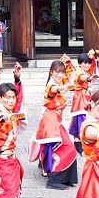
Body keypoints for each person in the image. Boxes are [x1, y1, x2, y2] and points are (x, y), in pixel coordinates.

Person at [30, 60, 78, 189]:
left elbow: (70, 78)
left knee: (54, 146)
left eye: (62, 72)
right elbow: (53, 90)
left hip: (55, 121)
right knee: (67, 147)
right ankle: (55, 177)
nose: (60, 75)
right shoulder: (52, 85)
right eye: (57, 72)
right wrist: (62, 88)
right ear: (51, 72)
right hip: (51, 122)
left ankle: (52, 171)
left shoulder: (59, 82)